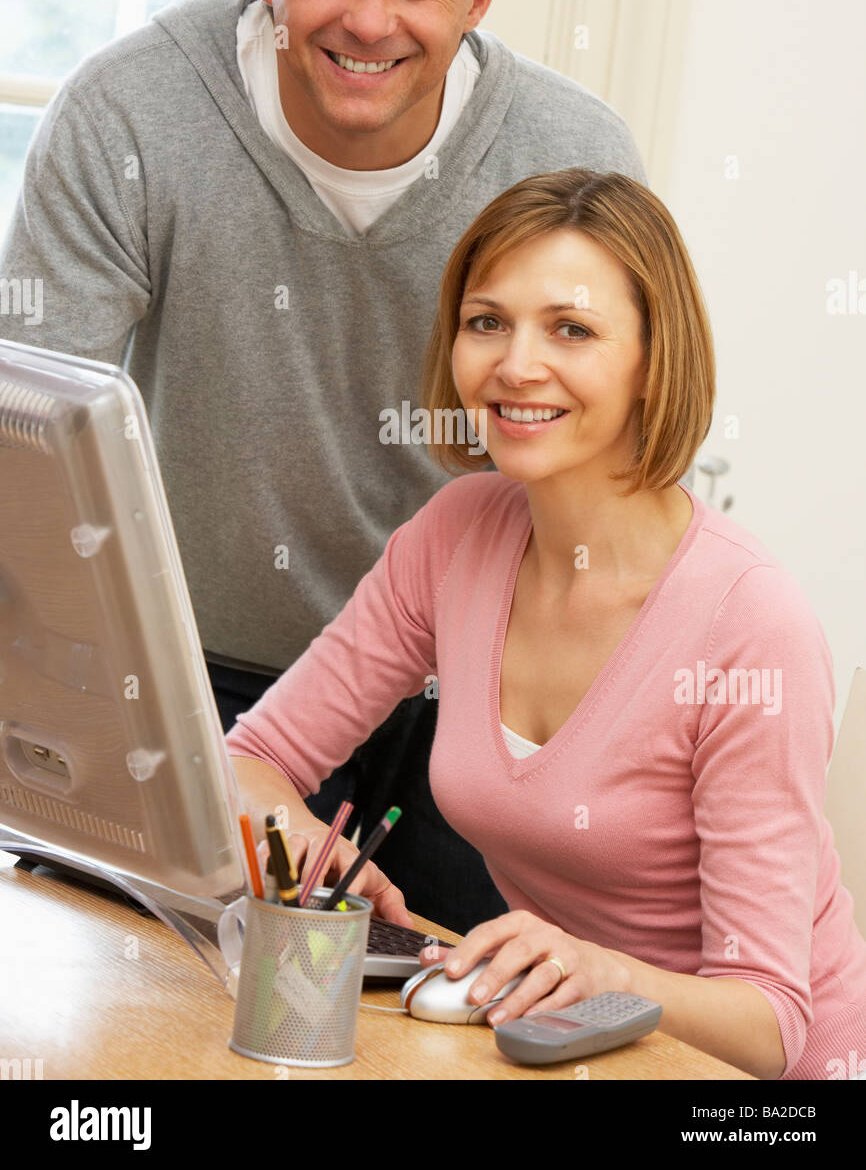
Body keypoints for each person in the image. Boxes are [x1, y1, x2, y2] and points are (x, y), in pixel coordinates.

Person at [0, 0, 645, 934]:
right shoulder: (133, 113)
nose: (368, 20)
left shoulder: (571, 156)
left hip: (475, 701)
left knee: (465, 1024)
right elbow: (29, 447)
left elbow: (616, 462)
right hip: (200, 675)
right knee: (162, 1008)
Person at [226, 168, 866, 1081]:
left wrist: (599, 970)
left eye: (572, 329)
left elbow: (771, 1022)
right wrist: (306, 853)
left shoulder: (749, 622)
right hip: (572, 1048)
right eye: (488, 321)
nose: (517, 365)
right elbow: (253, 762)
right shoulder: (454, 536)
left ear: (654, 359)